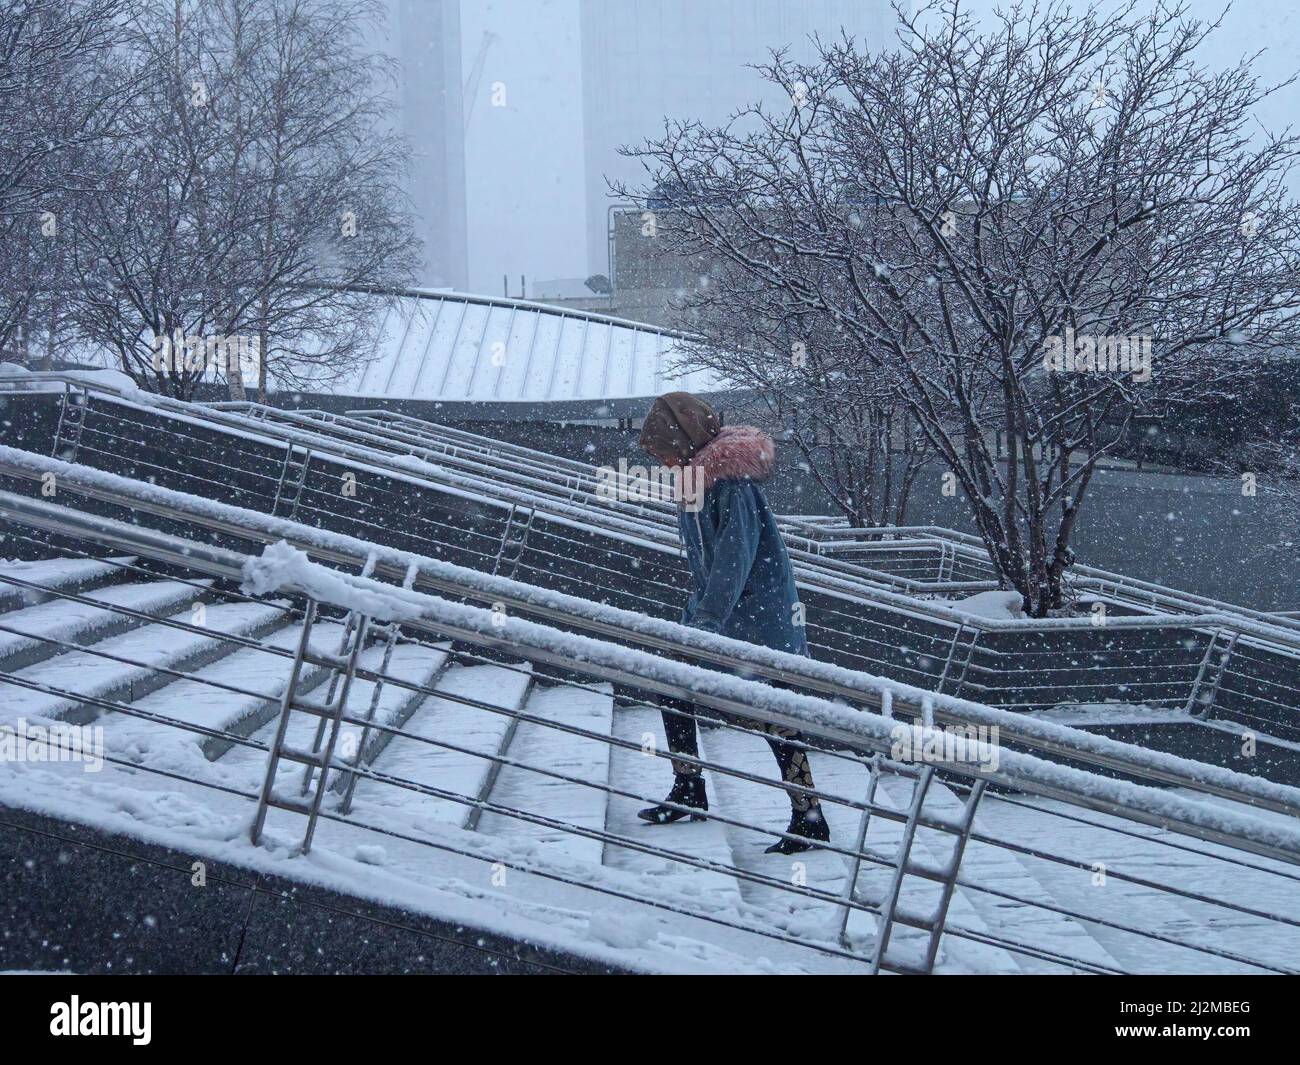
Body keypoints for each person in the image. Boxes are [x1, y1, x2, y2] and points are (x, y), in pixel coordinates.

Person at [635, 391, 831, 854]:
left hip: (757, 623)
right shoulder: (698, 484)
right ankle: (689, 788)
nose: (661, 461)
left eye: (663, 450)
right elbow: (707, 563)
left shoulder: (732, 487)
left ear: (683, 442)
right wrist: (696, 615)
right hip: (721, 618)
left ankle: (809, 815)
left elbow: (732, 560)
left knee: (775, 717)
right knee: (672, 684)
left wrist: (705, 618)